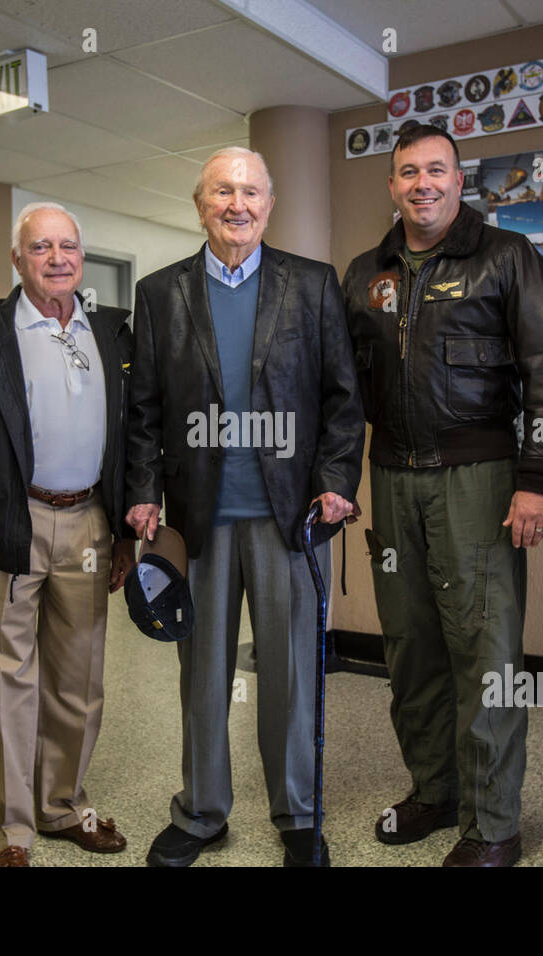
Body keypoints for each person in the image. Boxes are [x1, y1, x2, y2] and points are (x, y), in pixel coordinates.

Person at [125, 147, 364, 867]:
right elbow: (143, 409)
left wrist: (336, 480)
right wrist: (141, 492)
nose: (238, 204)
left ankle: (298, 814)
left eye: (252, 192)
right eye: (223, 191)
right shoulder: (160, 292)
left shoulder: (311, 284)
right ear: (200, 204)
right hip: (198, 520)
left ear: (270, 204)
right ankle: (201, 813)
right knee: (202, 674)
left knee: (292, 673)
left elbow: (343, 400)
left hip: (290, 516)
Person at [342, 124, 543, 867]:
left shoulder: (507, 258)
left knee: (485, 652)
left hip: (479, 477)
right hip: (392, 477)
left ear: (460, 179)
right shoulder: (364, 272)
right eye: (408, 172)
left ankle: (493, 825)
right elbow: (340, 388)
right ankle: (434, 791)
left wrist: (538, 480)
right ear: (392, 185)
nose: (423, 184)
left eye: (436, 170)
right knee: (410, 649)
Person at [0, 203, 136, 867]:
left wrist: (126, 529)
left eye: (69, 246)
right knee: (9, 683)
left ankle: (63, 806)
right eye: (42, 247)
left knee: (79, 678)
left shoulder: (113, 335)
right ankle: (11, 832)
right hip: (9, 524)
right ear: (18, 259)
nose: (58, 258)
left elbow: (137, 436)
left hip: (90, 520)